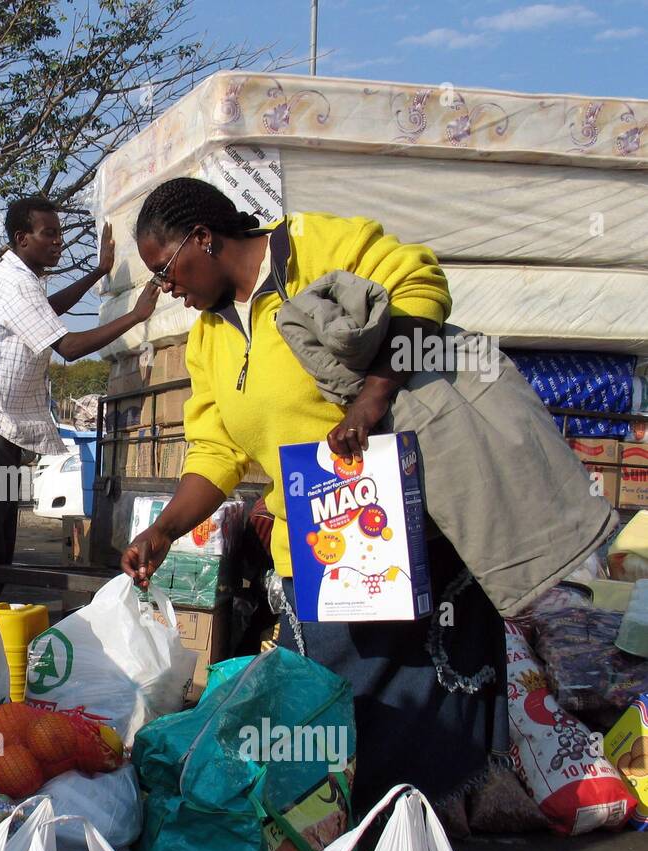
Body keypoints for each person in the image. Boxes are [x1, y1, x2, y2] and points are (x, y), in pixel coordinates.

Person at [121, 176, 509, 816]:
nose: (167, 290)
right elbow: (216, 450)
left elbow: (422, 284)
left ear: (204, 238)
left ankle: (399, 850)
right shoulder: (209, 336)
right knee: (332, 715)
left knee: (400, 717)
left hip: (398, 532)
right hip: (316, 547)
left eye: (166, 271)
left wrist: (372, 397)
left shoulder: (313, 247)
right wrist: (164, 529)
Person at [0, 195, 158, 602]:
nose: (58, 242)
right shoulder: (13, 283)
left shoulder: (19, 281)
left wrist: (99, 272)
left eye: (60, 234)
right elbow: (67, 346)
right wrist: (135, 316)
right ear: (21, 238)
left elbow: (46, 312)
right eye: (49, 234)